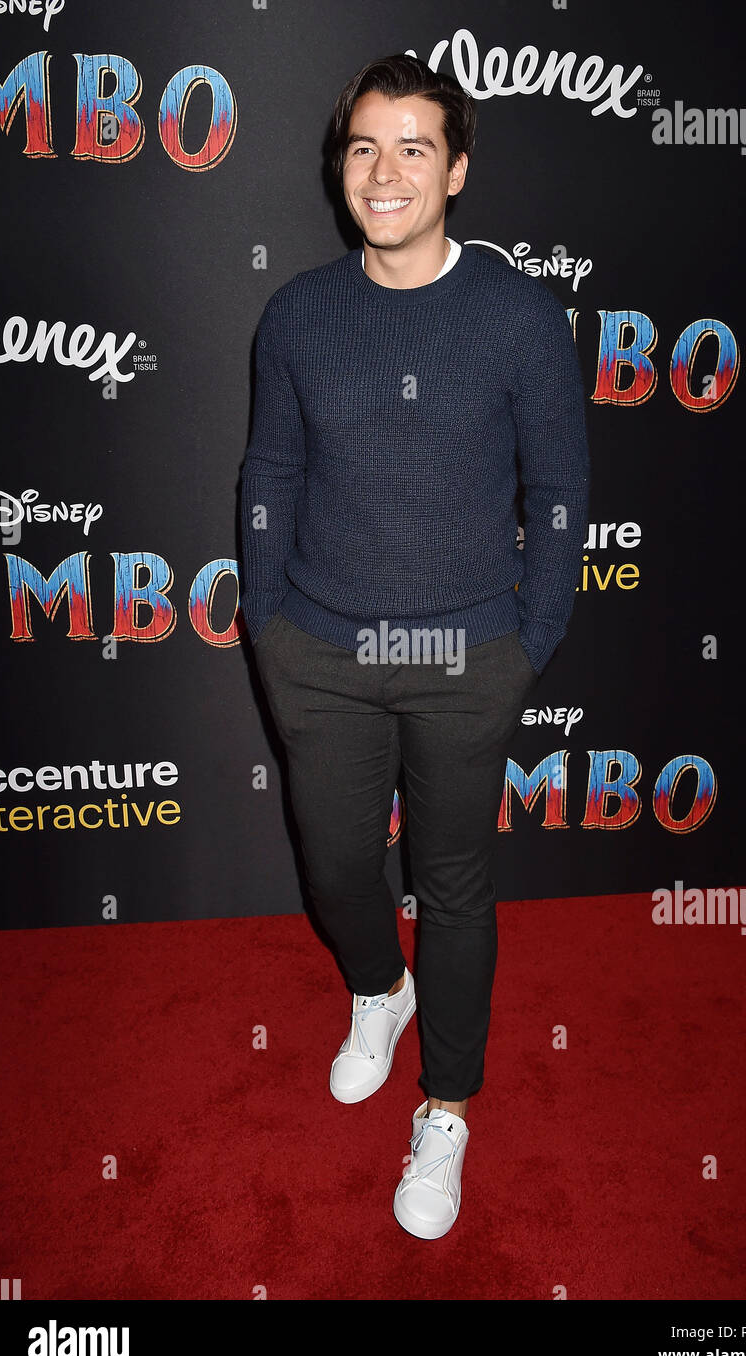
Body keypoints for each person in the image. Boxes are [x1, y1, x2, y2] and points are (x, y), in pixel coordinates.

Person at [239, 53, 590, 1239]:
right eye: (363, 148)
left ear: (457, 169)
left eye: (413, 149)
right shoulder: (297, 314)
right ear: (342, 167)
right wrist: (265, 622)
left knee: (452, 889)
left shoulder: (517, 317)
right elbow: (270, 474)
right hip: (319, 653)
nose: (384, 173)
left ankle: (445, 1108)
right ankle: (374, 992)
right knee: (337, 870)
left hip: (467, 659)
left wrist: (526, 638)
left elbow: (558, 490)